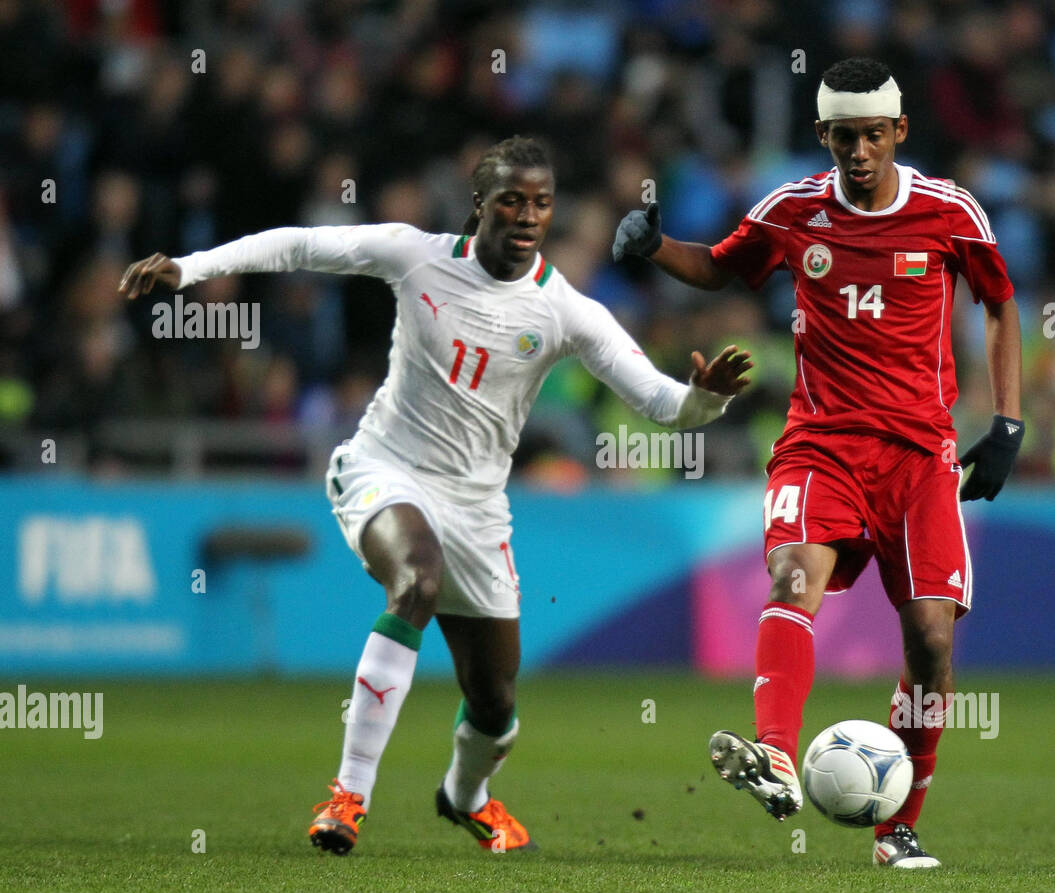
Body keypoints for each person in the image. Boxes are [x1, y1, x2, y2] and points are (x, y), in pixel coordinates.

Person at [119, 135, 753, 854]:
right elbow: (299, 244)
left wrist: (707, 399)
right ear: (481, 203)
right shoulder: (414, 255)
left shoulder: (568, 312)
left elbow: (665, 406)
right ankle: (348, 795)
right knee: (415, 580)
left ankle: (464, 795)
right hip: (385, 468)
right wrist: (190, 267)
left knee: (495, 702)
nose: (527, 215)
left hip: (478, 509)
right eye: (511, 199)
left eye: (541, 203)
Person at [612, 58, 1022, 868]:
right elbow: (724, 264)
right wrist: (657, 247)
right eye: (844, 138)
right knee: (792, 576)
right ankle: (772, 752)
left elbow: (1001, 303)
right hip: (821, 444)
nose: (859, 151)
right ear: (822, 137)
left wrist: (1007, 421)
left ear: (900, 132)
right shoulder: (793, 210)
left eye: (874, 135)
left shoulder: (950, 213)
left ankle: (896, 826)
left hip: (919, 458)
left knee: (932, 643)